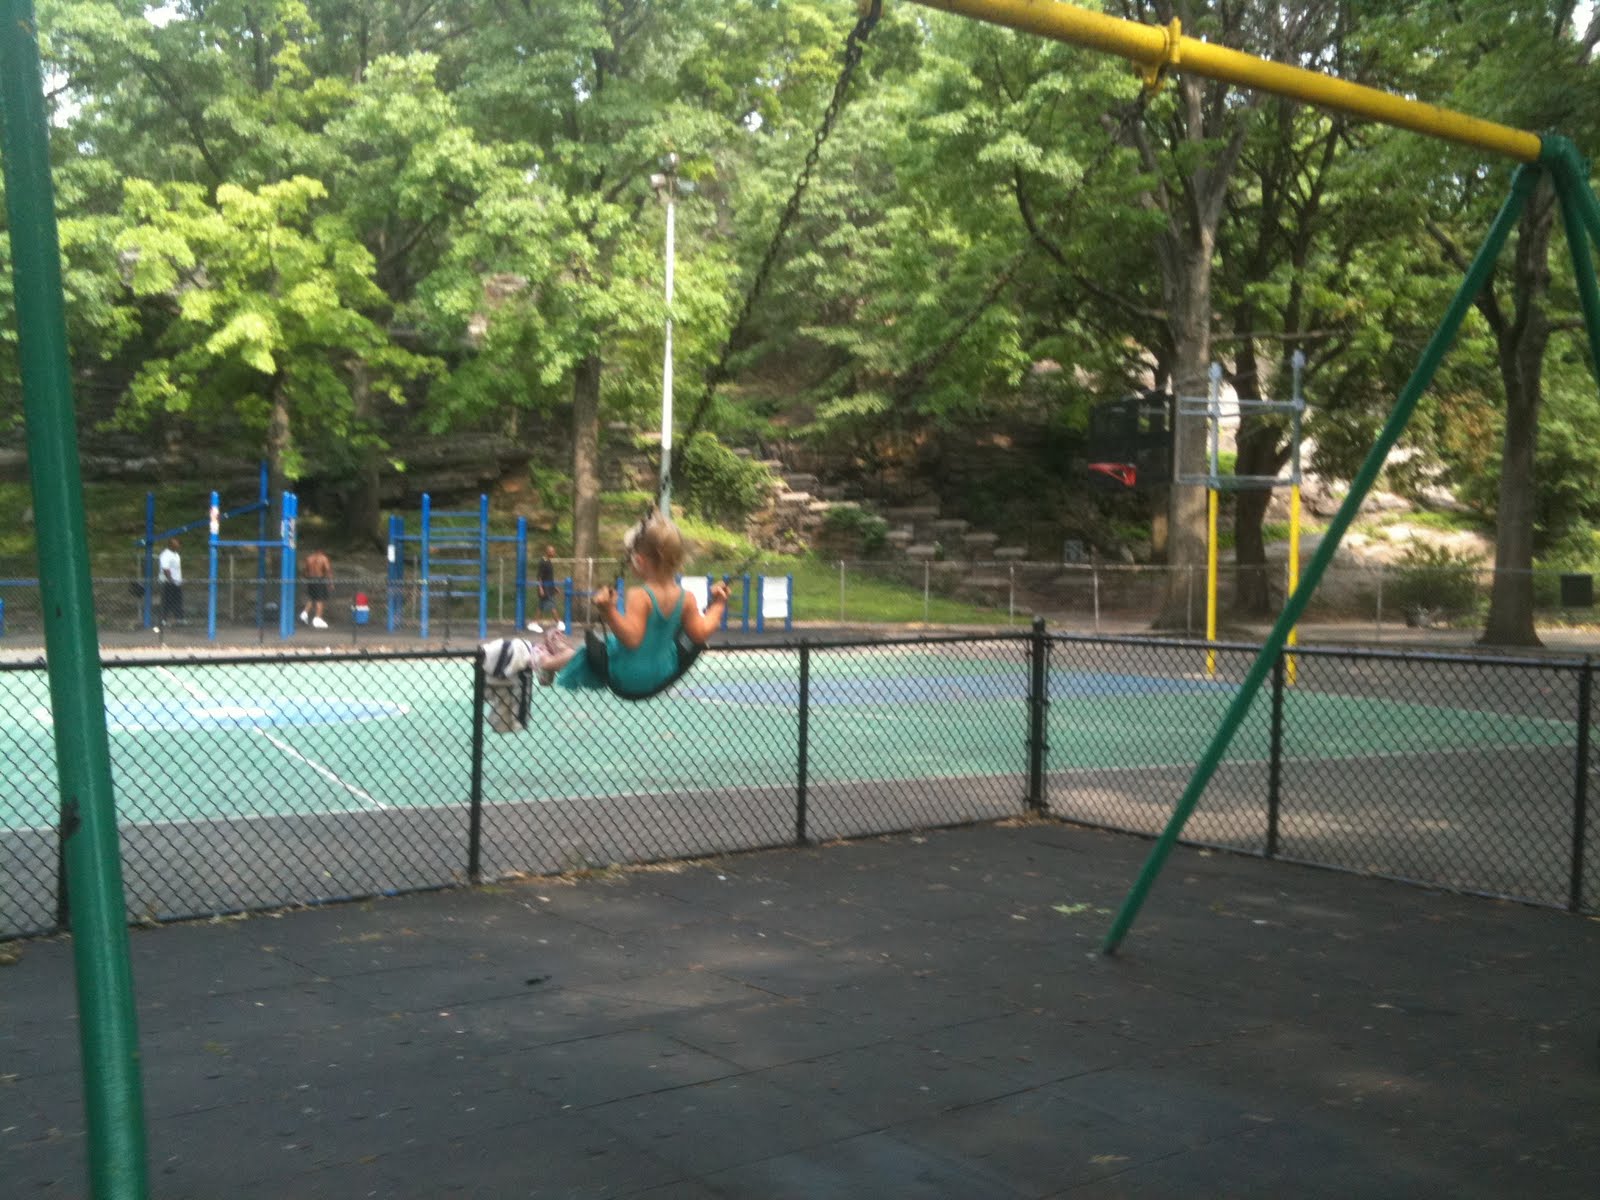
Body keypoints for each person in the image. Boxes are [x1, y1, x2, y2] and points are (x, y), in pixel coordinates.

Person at [535, 509, 728, 693]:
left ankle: (545, 663)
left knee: (589, 654)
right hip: (664, 672)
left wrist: (608, 611)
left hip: (630, 674)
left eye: (630, 558)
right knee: (605, 647)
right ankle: (559, 649)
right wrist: (718, 604)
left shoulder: (640, 596)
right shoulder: (686, 598)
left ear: (640, 561)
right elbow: (701, 632)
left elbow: (632, 639)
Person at [300, 547, 332, 629]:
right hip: (319, 579)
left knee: (312, 598)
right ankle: (318, 618)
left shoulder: (309, 558)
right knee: (320, 600)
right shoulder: (323, 558)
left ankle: (304, 613)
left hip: (310, 579)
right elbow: (328, 570)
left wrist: (307, 577)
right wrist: (330, 582)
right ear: (321, 551)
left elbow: (304, 570)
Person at [532, 544, 560, 633]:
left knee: (541, 606)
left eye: (554, 551)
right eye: (552, 551)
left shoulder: (548, 561)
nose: (554, 553)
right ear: (547, 552)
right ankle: (559, 623)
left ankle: (534, 623)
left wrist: (554, 587)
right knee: (552, 606)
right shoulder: (543, 562)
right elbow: (539, 576)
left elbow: (548, 577)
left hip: (549, 588)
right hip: (546, 589)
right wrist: (540, 588)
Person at [157, 538, 184, 626]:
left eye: (179, 544)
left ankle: (179, 619)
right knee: (167, 601)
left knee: (177, 600)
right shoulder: (165, 555)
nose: (178, 546)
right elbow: (165, 569)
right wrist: (170, 579)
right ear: (171, 545)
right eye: (176, 544)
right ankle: (163, 620)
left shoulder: (176, 554)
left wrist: (178, 580)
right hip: (168, 582)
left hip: (176, 582)